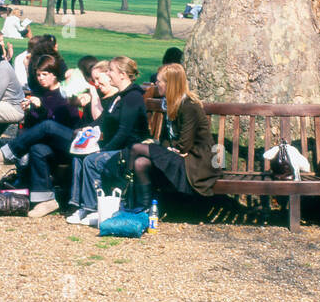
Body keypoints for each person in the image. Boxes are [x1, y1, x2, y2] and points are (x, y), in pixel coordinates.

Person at [0, 54, 83, 216]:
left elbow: (60, 124)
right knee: (38, 149)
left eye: (45, 74)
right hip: (51, 146)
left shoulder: (65, 94)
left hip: (70, 144)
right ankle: (45, 200)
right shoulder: (43, 94)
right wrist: (31, 111)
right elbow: (35, 130)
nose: (41, 78)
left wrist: (42, 109)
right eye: (38, 74)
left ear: (54, 74)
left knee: (47, 126)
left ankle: (7, 152)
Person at [66, 57, 149, 225]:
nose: (108, 74)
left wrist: (103, 150)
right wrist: (90, 128)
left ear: (123, 74)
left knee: (92, 160)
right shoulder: (121, 96)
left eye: (111, 70)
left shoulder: (132, 97)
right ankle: (79, 206)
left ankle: (92, 208)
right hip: (116, 146)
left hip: (129, 150)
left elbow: (124, 133)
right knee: (79, 155)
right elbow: (103, 120)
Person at [129, 62, 212, 205]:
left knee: (136, 148)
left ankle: (123, 191)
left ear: (170, 84)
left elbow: (184, 146)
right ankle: (143, 208)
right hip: (178, 156)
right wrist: (169, 148)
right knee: (140, 162)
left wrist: (172, 148)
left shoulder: (189, 106)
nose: (156, 83)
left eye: (159, 81)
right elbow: (165, 140)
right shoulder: (169, 103)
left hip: (195, 161)